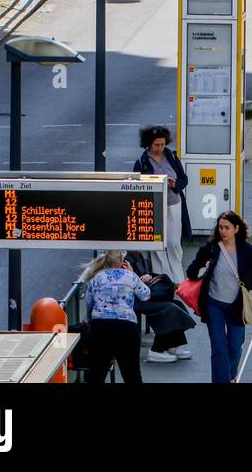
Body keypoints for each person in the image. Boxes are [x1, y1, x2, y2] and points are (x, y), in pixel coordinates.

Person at [186, 212, 252, 384]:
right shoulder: (210, 248)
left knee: (235, 347)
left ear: (236, 228)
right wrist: (203, 269)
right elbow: (191, 272)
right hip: (214, 306)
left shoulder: (248, 251)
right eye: (220, 227)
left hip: (237, 306)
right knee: (219, 349)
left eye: (227, 228)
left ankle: (230, 376)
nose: (223, 231)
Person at [81, 249, 150, 383]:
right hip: (126, 327)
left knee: (96, 373)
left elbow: (89, 302)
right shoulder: (130, 276)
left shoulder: (96, 277)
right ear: (122, 261)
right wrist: (132, 273)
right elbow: (145, 295)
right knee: (132, 373)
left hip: (100, 327)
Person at [133, 126, 190, 283]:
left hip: (173, 203)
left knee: (173, 242)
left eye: (163, 144)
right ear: (149, 144)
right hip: (154, 205)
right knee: (157, 243)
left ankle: (177, 277)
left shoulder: (171, 157)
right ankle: (162, 276)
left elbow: (183, 178)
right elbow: (136, 185)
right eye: (157, 145)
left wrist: (175, 185)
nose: (160, 148)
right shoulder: (142, 162)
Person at [127, 251, 195, 363]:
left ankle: (174, 344)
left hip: (145, 294)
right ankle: (156, 350)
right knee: (168, 309)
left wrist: (149, 276)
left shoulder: (140, 257)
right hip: (137, 299)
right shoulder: (126, 260)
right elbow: (129, 282)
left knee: (177, 305)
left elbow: (145, 275)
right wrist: (136, 277)